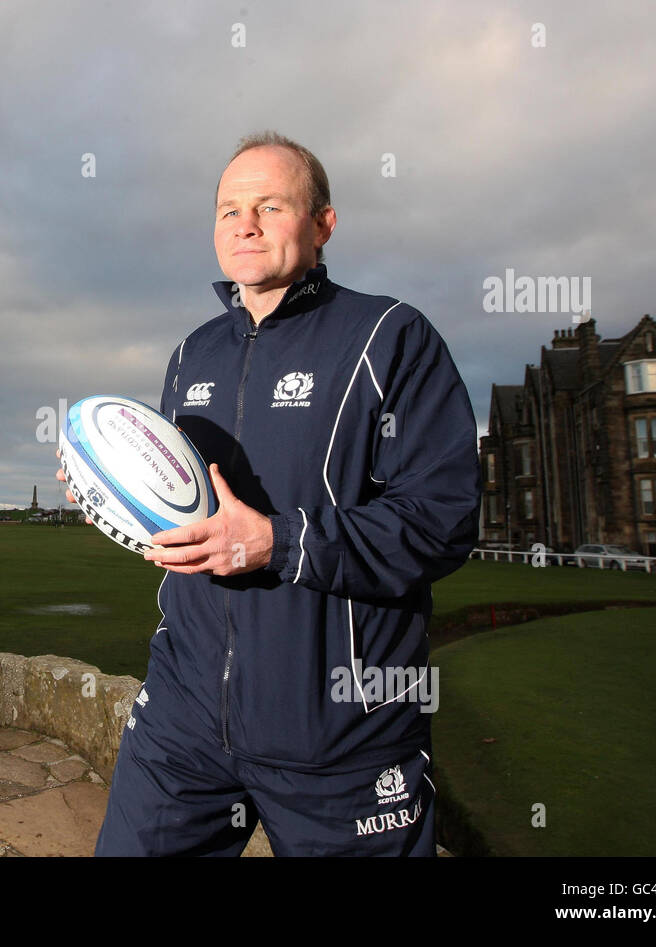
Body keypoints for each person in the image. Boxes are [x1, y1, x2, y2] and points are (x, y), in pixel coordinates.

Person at [57, 131, 481, 856]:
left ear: (323, 224)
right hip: (183, 723)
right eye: (228, 210)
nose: (244, 224)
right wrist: (113, 496)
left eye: (269, 205)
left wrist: (279, 541)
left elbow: (443, 520)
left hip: (342, 736)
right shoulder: (193, 353)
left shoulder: (391, 337)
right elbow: (191, 520)